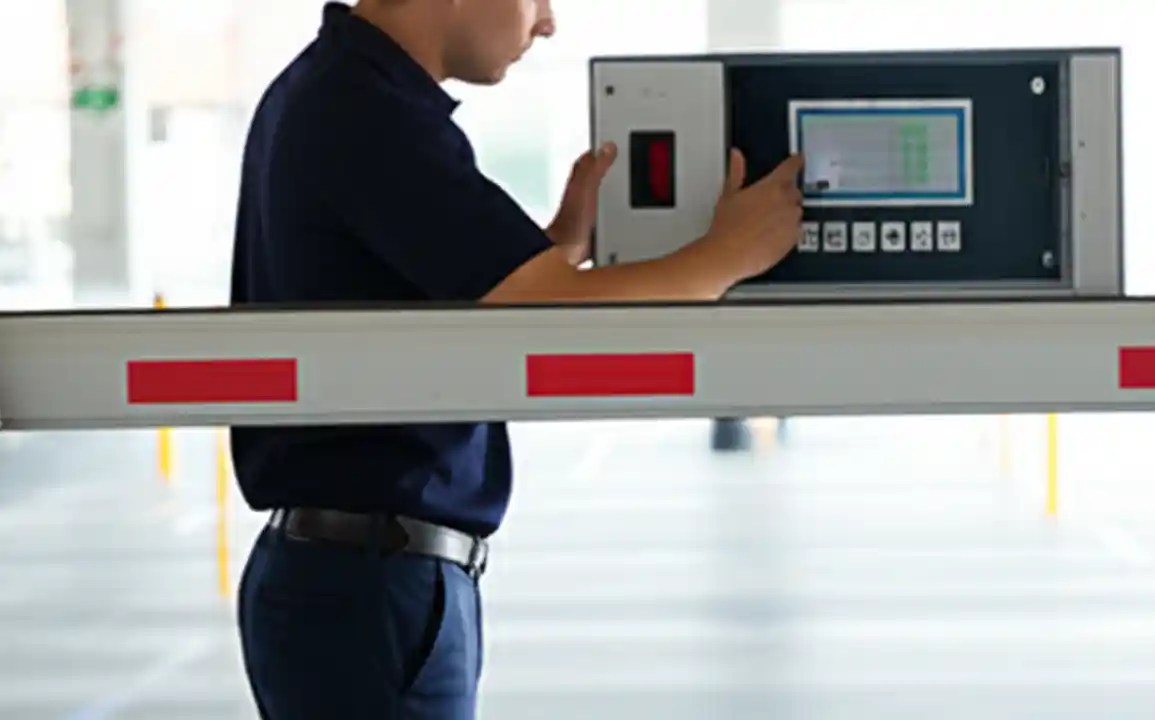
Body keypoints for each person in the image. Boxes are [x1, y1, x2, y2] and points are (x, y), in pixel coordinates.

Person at [229, 1, 804, 718]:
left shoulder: (336, 92)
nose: (548, 22)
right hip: (370, 585)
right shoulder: (367, 115)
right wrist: (727, 256)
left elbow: (462, 301)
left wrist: (556, 246)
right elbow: (556, 322)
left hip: (366, 577)